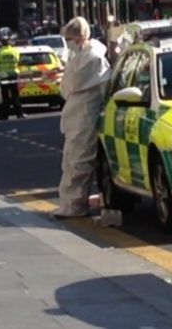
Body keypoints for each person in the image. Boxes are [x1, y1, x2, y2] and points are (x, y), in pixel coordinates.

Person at [54, 17, 110, 218]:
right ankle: (69, 204)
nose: (68, 43)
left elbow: (70, 84)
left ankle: (75, 206)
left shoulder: (92, 58)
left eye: (69, 38)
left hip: (84, 114)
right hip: (76, 113)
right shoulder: (79, 56)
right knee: (70, 160)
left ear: (79, 37)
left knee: (79, 161)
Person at [0, 36, 25, 120]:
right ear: (9, 42)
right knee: (15, 96)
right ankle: (20, 114)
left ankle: (4, 115)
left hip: (4, 76)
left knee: (5, 97)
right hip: (14, 75)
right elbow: (18, 60)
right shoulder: (14, 51)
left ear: (2, 42)